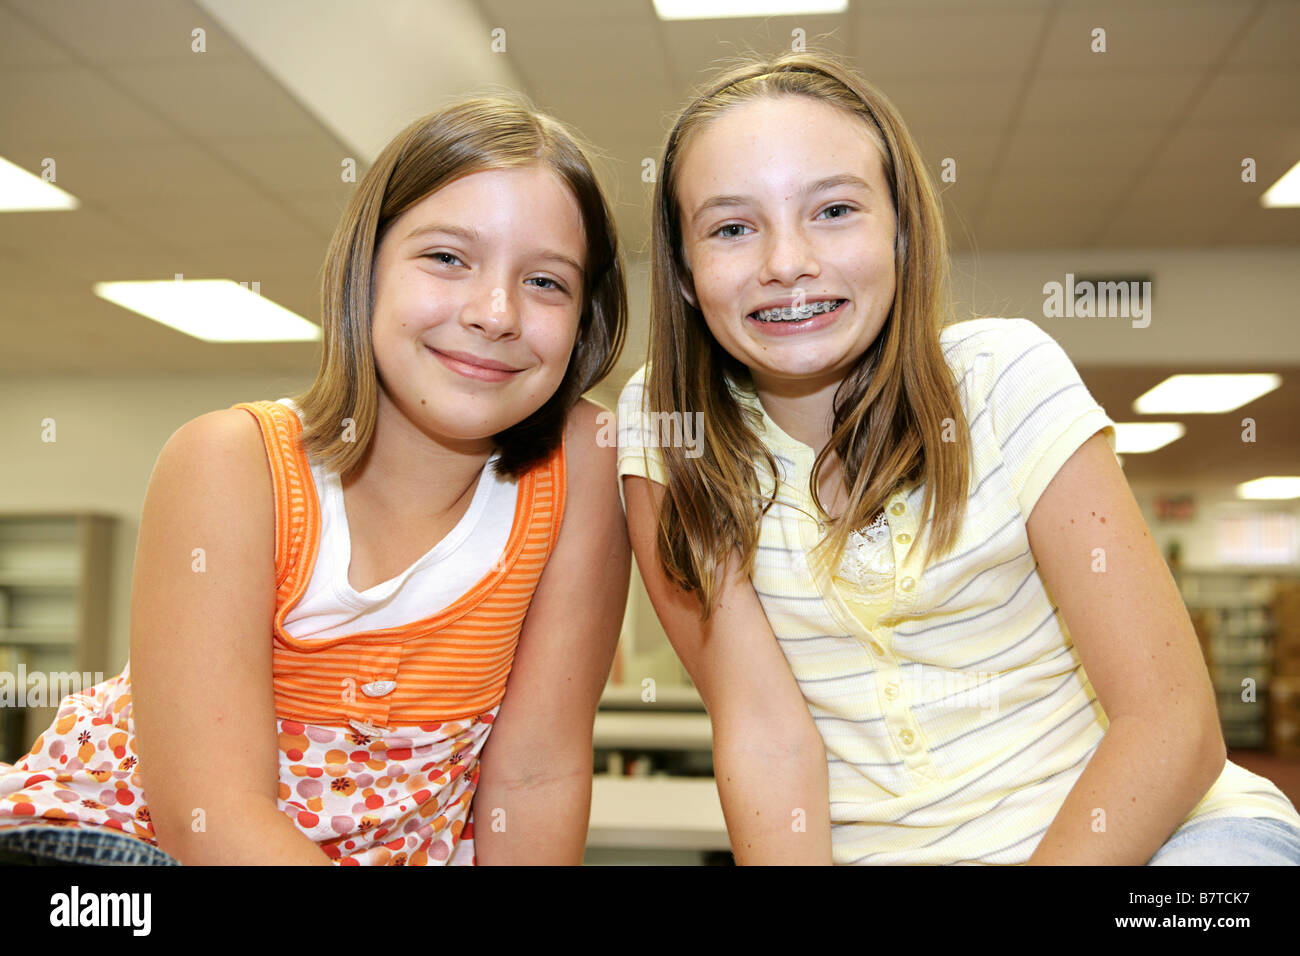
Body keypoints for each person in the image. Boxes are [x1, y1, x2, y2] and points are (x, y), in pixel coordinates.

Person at [617, 51, 1300, 865]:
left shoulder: (1005, 377)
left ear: (901, 231)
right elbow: (766, 740)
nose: (786, 262)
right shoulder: (667, 424)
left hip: (1153, 836)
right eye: (732, 227)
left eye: (834, 210)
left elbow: (1173, 724)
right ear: (687, 274)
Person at [0, 95, 630, 866]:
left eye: (547, 283)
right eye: (446, 258)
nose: (496, 312)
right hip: (112, 846)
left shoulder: (584, 461)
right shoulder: (233, 464)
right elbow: (214, 818)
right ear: (365, 274)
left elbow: (537, 776)